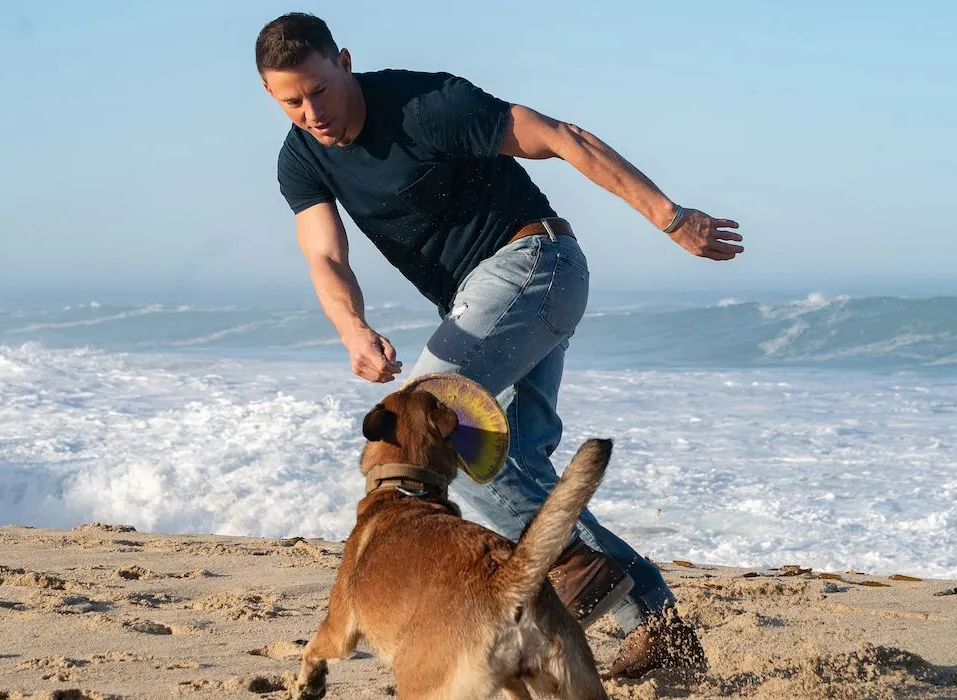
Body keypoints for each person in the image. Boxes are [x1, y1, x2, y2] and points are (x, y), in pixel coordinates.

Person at [256, 12, 743, 677]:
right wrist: (353, 328)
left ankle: (571, 564)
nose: (311, 111)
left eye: (319, 89)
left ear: (343, 61)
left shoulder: (427, 104)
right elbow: (326, 258)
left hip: (535, 264)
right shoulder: (302, 157)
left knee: (434, 421)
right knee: (517, 473)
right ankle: (659, 626)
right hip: (487, 300)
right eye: (291, 100)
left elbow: (562, 137)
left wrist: (670, 216)